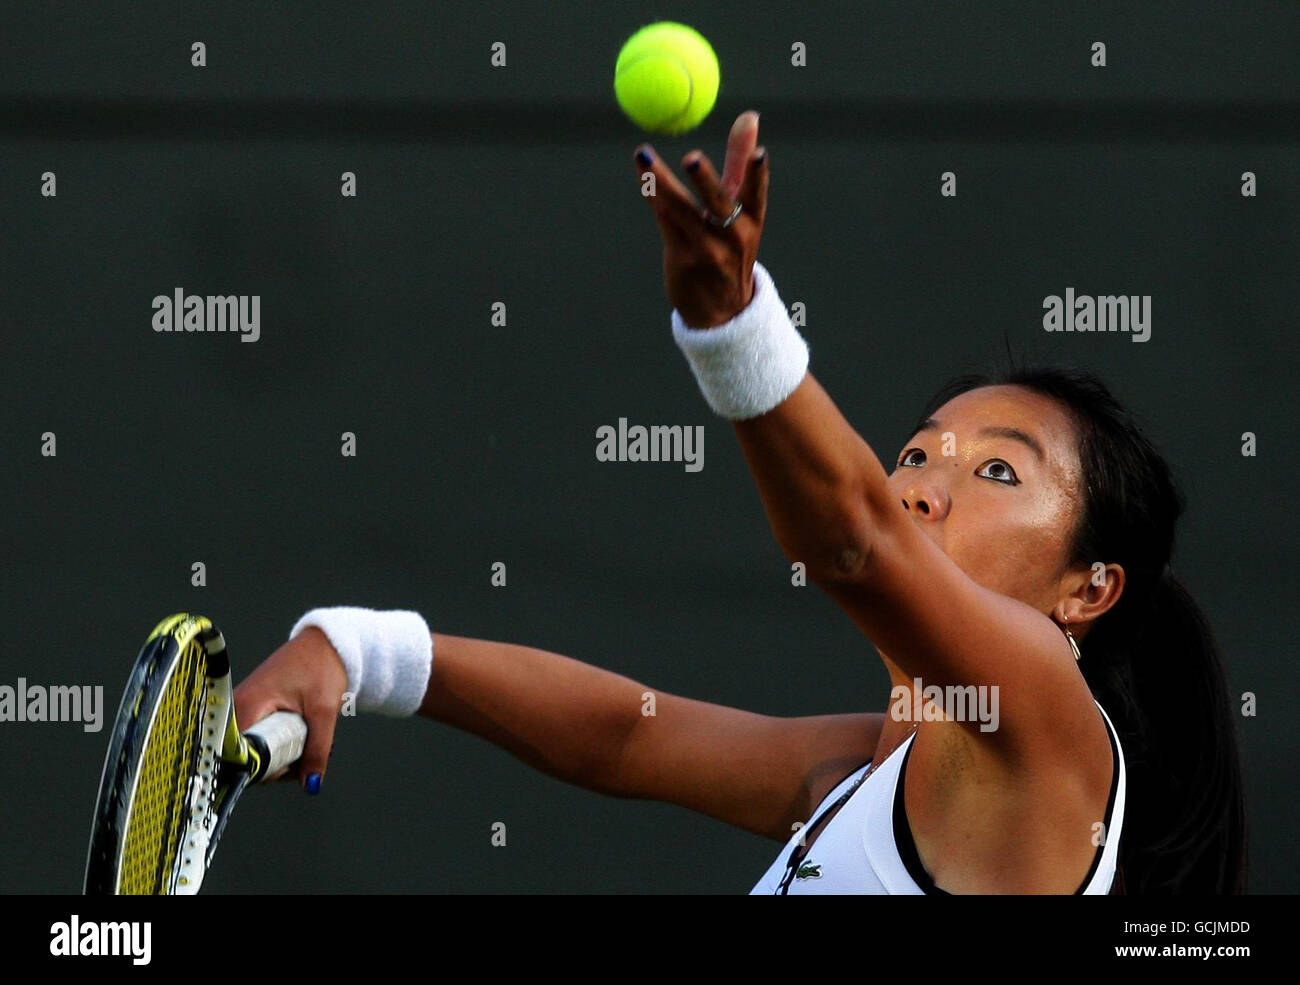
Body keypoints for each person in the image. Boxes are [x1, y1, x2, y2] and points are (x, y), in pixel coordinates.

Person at [235, 111, 1246, 894]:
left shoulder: (1042, 715)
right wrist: (361, 652)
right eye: (914, 452)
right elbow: (624, 734)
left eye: (995, 471)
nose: (922, 487)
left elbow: (855, 537)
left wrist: (732, 329)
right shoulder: (864, 770)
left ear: (1088, 586)